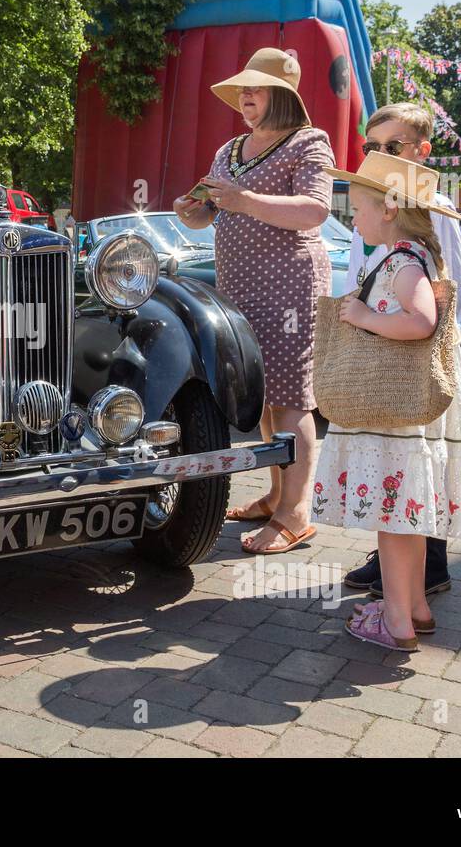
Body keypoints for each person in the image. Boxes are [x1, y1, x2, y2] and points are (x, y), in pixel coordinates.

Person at [313, 153, 461, 652]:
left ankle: (396, 622)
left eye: (358, 208)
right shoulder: (414, 256)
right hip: (408, 420)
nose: (352, 219)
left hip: (395, 422)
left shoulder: (402, 263)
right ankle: (415, 609)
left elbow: (422, 321)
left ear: (388, 209)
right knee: (405, 517)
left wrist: (362, 317)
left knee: (392, 521)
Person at [173, 47, 333, 555]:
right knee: (261, 394)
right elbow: (207, 215)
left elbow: (315, 210)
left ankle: (296, 512)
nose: (243, 96)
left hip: (290, 284)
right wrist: (190, 210)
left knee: (291, 397)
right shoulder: (230, 149)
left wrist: (245, 201)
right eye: (241, 88)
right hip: (239, 286)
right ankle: (274, 494)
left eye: (254, 88)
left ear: (281, 95)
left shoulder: (309, 142)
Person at [341, 103, 461, 598]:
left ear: (422, 152)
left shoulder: (434, 216)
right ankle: (397, 565)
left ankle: (427, 564)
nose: (378, 156)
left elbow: (450, 289)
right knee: (391, 461)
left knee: (418, 459)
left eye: (392, 148)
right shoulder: (371, 208)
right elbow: (359, 271)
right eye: (370, 147)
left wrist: (424, 342)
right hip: (380, 347)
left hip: (416, 358)